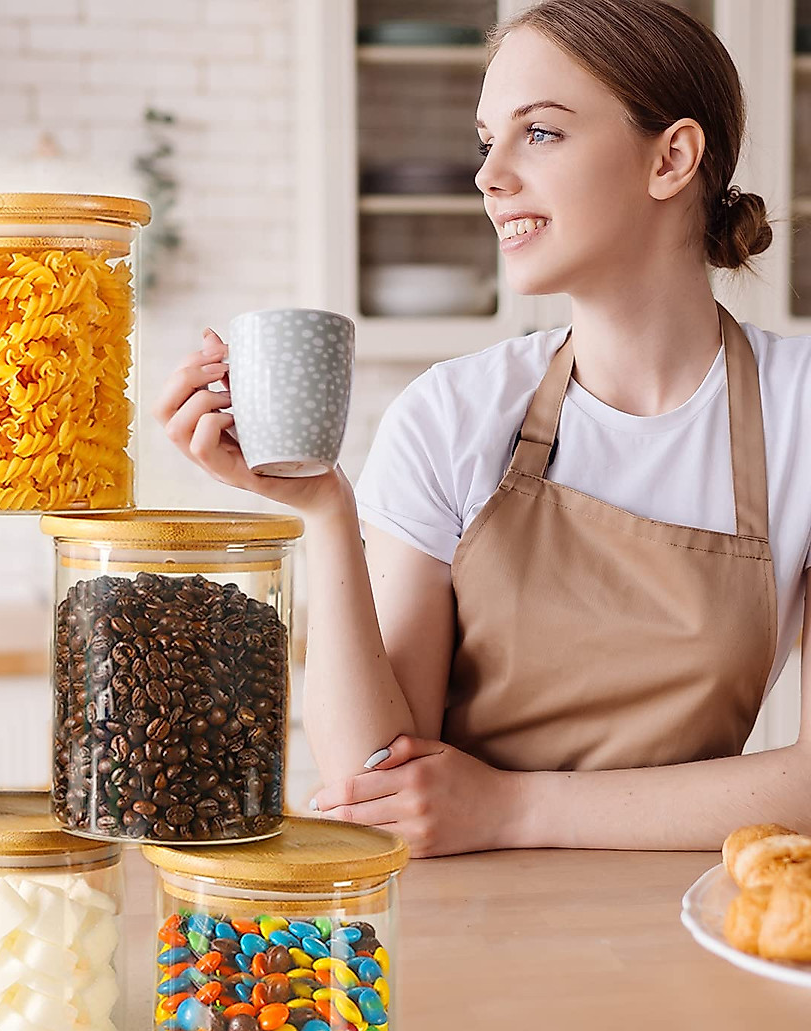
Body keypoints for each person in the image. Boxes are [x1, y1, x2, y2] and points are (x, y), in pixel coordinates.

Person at [153, 0, 811, 857]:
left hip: (684, 916)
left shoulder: (799, 408)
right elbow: (370, 779)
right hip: (460, 917)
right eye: (483, 141)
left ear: (672, 157)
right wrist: (322, 512)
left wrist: (510, 809)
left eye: (539, 133)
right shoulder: (453, 414)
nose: (489, 175)